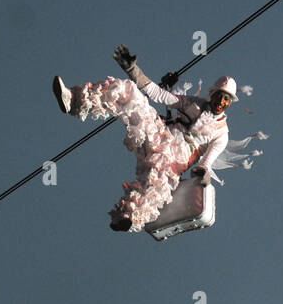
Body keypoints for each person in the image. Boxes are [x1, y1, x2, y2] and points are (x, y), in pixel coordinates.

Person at [53, 45, 239, 231]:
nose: (221, 102)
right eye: (220, 96)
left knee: (154, 186)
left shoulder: (222, 133)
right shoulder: (193, 103)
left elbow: (205, 163)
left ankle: (128, 217)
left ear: (230, 103)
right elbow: (158, 95)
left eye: (226, 100)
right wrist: (133, 69)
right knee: (128, 91)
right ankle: (73, 99)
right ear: (212, 94)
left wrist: (203, 175)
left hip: (175, 159)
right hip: (159, 135)